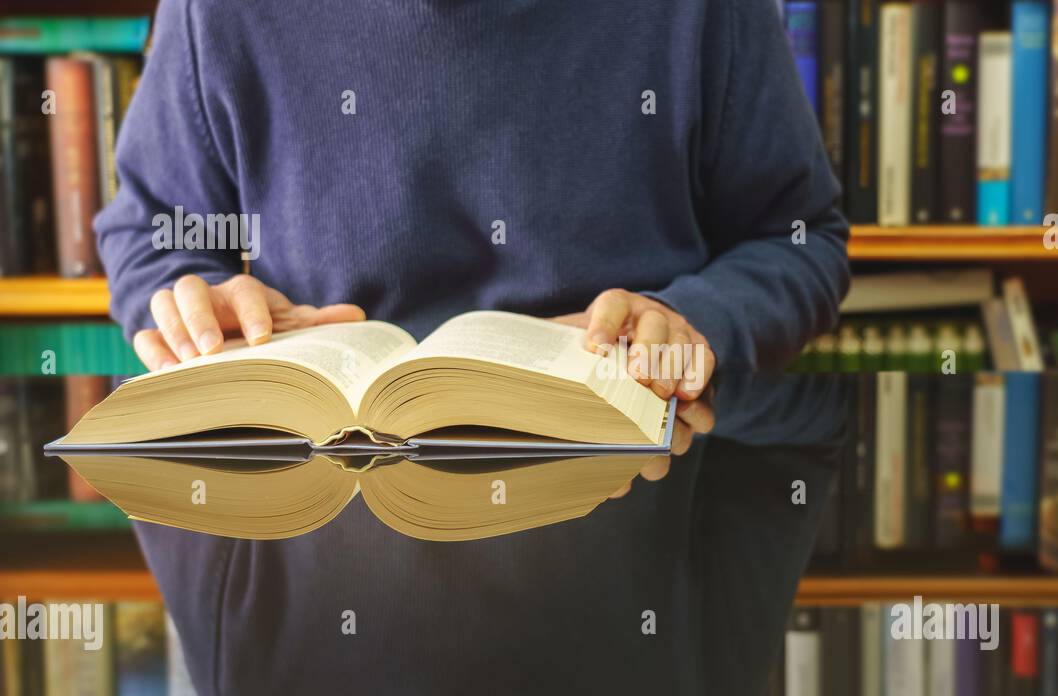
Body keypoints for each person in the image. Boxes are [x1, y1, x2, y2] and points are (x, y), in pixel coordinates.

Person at [95, 0, 848, 451]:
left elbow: (800, 234)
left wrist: (692, 321)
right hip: (322, 495)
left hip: (634, 475)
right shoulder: (219, 13)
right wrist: (196, 301)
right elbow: (149, 228)